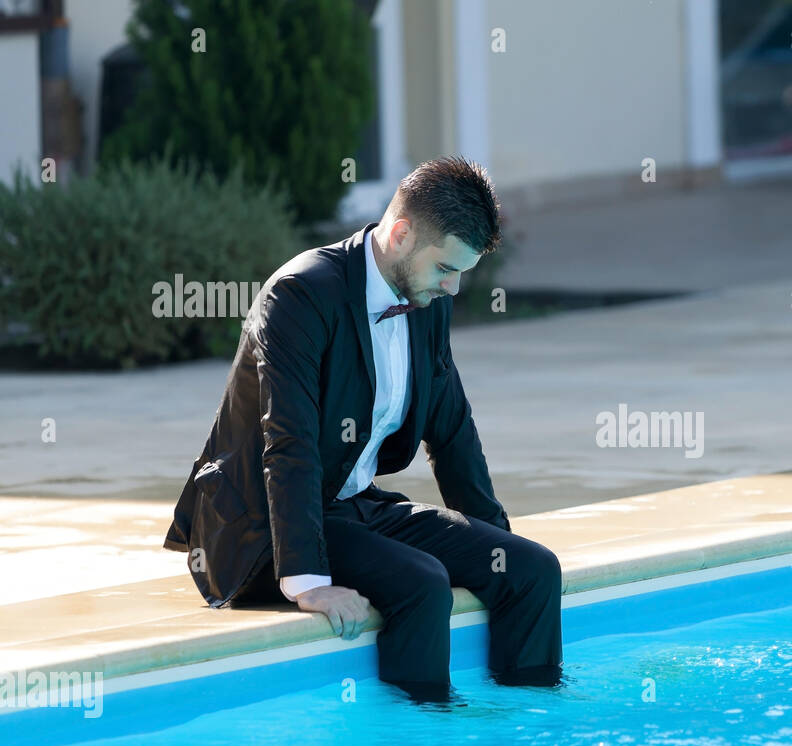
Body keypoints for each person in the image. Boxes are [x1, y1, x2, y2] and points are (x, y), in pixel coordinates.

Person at [163, 156, 563, 702]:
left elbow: (452, 429)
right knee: (422, 584)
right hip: (263, 529)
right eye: (446, 269)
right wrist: (308, 581)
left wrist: (495, 548)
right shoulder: (301, 295)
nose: (451, 288)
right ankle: (423, 738)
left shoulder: (426, 300)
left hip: (352, 505)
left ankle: (533, 724)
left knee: (533, 570)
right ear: (400, 235)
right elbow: (289, 442)